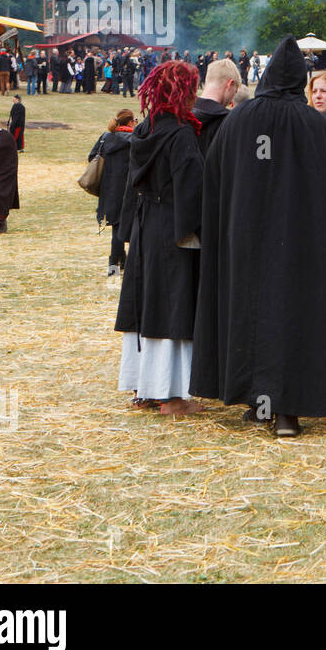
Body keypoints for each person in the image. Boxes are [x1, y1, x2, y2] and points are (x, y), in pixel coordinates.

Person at [192, 35, 326, 436]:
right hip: (298, 243)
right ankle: (284, 411)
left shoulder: (238, 120)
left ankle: (258, 401)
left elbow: (213, 183)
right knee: (289, 312)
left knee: (250, 310)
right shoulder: (310, 124)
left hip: (245, 240)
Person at [112, 62, 206, 415]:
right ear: (183, 92)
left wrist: (126, 232)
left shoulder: (145, 128)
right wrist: (199, 232)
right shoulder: (180, 134)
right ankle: (171, 396)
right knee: (172, 303)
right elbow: (192, 189)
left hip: (145, 224)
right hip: (172, 227)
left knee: (147, 300)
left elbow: (130, 183)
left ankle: (144, 389)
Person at [90, 109, 136, 275]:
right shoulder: (135, 140)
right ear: (130, 122)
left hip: (109, 189)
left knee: (116, 227)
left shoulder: (106, 137)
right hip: (128, 188)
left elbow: (92, 157)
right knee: (129, 227)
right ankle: (119, 264)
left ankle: (116, 264)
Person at [193, 58, 240, 158]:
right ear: (230, 84)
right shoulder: (229, 121)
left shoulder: (182, 113)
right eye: (234, 92)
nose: (232, 100)